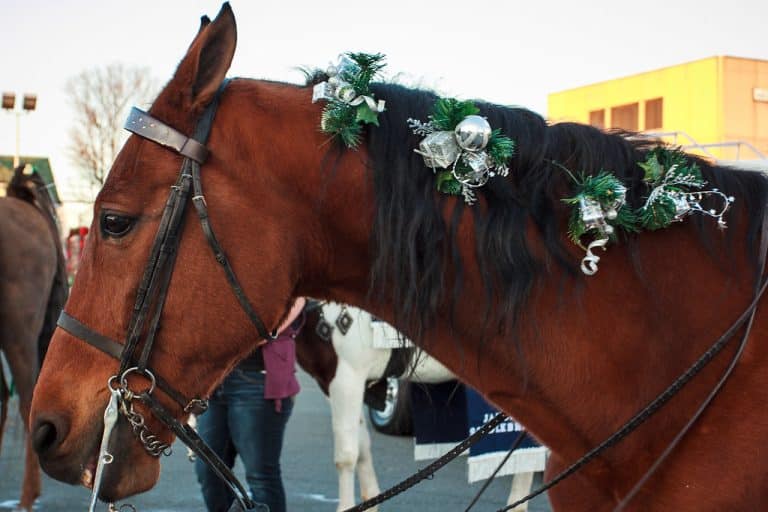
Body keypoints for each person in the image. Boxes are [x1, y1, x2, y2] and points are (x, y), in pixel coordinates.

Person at [195, 298, 306, 512]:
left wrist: (255, 333)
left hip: (257, 378)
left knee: (260, 476)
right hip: (215, 379)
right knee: (208, 472)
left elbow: (297, 298)